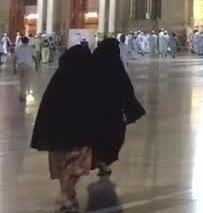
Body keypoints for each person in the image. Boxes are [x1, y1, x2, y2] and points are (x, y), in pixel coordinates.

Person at [30, 44, 95, 212]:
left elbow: (47, 109)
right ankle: (65, 195)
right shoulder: (84, 81)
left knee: (64, 167)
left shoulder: (58, 79)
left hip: (57, 136)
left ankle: (67, 194)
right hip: (76, 136)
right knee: (74, 167)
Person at [90, 38, 146, 177]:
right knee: (113, 137)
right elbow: (126, 88)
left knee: (99, 137)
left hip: (96, 110)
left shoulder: (93, 63)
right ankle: (104, 162)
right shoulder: (115, 65)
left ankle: (100, 161)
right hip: (112, 111)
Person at [14, 36, 36, 103]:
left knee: (21, 81)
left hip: (20, 65)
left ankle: (22, 95)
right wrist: (37, 65)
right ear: (28, 41)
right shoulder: (31, 48)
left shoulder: (18, 48)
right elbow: (34, 57)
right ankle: (27, 93)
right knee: (27, 80)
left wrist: (14, 67)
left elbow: (15, 58)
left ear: (21, 41)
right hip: (28, 66)